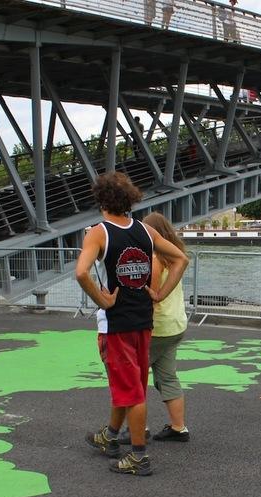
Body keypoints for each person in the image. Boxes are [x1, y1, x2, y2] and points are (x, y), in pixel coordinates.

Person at [77, 172, 189, 476]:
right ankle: (110, 435)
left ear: (101, 201)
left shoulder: (98, 233)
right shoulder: (145, 231)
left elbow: (81, 272)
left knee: (131, 392)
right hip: (143, 321)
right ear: (130, 200)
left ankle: (138, 456)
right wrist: (160, 294)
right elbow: (181, 259)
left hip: (118, 324)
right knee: (131, 385)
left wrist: (103, 301)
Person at [142, 212, 191, 442]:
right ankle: (178, 427)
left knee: (135, 379)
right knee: (167, 377)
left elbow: (151, 296)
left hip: (157, 328)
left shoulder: (154, 258)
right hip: (175, 325)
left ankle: (137, 429)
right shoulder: (174, 256)